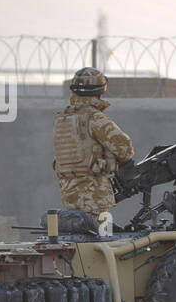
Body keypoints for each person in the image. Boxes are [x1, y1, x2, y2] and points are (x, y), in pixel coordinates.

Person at [53, 67, 135, 228]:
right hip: (93, 195)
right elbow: (125, 150)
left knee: (80, 238)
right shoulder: (94, 117)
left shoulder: (62, 118)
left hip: (70, 193)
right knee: (101, 241)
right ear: (100, 89)